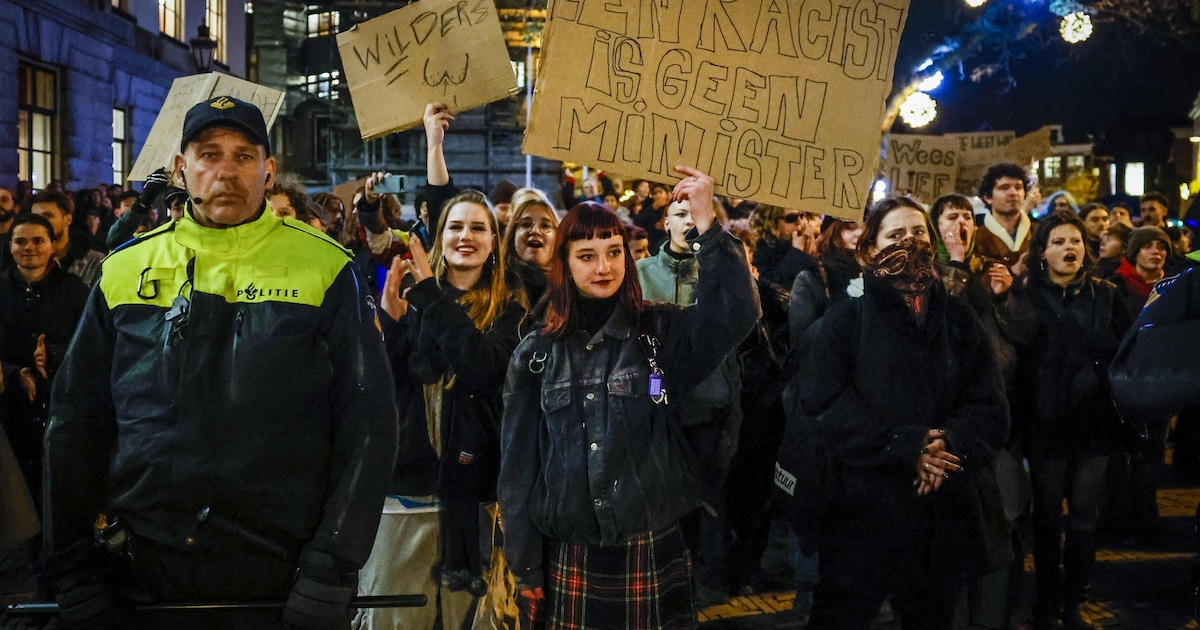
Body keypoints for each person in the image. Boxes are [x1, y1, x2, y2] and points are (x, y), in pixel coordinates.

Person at [42, 95, 398, 630]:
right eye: (209, 154)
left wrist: (332, 564)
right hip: (142, 569)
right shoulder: (124, 269)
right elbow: (74, 422)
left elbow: (368, 419)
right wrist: (72, 567)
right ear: (182, 169)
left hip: (280, 573)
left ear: (269, 171)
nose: (226, 171)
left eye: (244, 156)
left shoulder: (326, 267)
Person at [498, 167, 758, 630]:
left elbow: (738, 311)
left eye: (614, 252)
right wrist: (525, 566)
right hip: (570, 550)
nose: (604, 267)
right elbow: (518, 469)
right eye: (587, 255)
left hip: (649, 542)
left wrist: (709, 226)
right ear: (565, 264)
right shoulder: (535, 354)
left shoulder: (659, 331)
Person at [788, 196, 1008, 629]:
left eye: (919, 233)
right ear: (869, 251)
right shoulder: (846, 319)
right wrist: (908, 447)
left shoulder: (957, 317)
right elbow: (822, 405)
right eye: (895, 235)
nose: (910, 243)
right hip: (862, 514)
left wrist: (948, 445)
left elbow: (989, 402)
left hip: (939, 515)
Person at [356, 189, 527, 630]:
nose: (465, 236)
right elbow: (389, 393)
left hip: (474, 496)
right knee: (396, 617)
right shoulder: (415, 300)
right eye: (455, 226)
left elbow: (485, 371)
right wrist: (392, 327)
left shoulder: (511, 308)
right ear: (441, 237)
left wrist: (431, 297)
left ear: (494, 242)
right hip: (407, 492)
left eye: (477, 228)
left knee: (468, 620)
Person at [1012, 211, 1130, 630]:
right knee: (1046, 517)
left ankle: (1075, 599)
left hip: (1093, 423)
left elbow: (1126, 352)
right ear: (1042, 252)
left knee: (1083, 515)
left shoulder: (1107, 295)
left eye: (1076, 241)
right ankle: (1046, 601)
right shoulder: (1024, 297)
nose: (1069, 248)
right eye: (1059, 241)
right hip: (1045, 422)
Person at [636, 197, 749, 603]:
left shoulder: (717, 277)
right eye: (679, 214)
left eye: (695, 215)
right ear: (665, 223)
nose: (687, 222)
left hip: (706, 415)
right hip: (651, 416)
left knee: (702, 507)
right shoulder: (639, 275)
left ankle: (697, 583)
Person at [0, 213, 89, 534]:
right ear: (9, 247)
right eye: (20, 241)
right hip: (9, 409)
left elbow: (91, 345)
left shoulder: (75, 291)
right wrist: (14, 373)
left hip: (61, 403)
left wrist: (53, 355)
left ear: (54, 246)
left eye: (38, 240)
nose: (29, 248)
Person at [26, 191, 104, 286]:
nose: (41, 222)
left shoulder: (94, 262)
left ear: (67, 220)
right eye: (35, 217)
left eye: (48, 216)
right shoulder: (24, 258)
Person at [502, 195, 559, 310]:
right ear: (513, 235)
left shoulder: (571, 290)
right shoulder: (494, 284)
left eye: (545, 225)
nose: (535, 231)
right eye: (526, 224)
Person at [976, 163, 1033, 271]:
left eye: (1018, 187)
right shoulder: (976, 238)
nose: (1013, 193)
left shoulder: (1040, 233)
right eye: (1004, 188)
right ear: (988, 197)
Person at [749, 206, 820, 290]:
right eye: (791, 218)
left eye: (801, 215)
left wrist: (811, 253)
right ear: (772, 221)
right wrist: (796, 251)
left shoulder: (806, 240)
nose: (799, 222)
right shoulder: (763, 248)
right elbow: (773, 285)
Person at [1112, 226, 1171, 322]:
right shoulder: (1116, 285)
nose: (1156, 251)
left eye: (1161, 247)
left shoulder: (1176, 283)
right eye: (1147, 246)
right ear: (1135, 253)